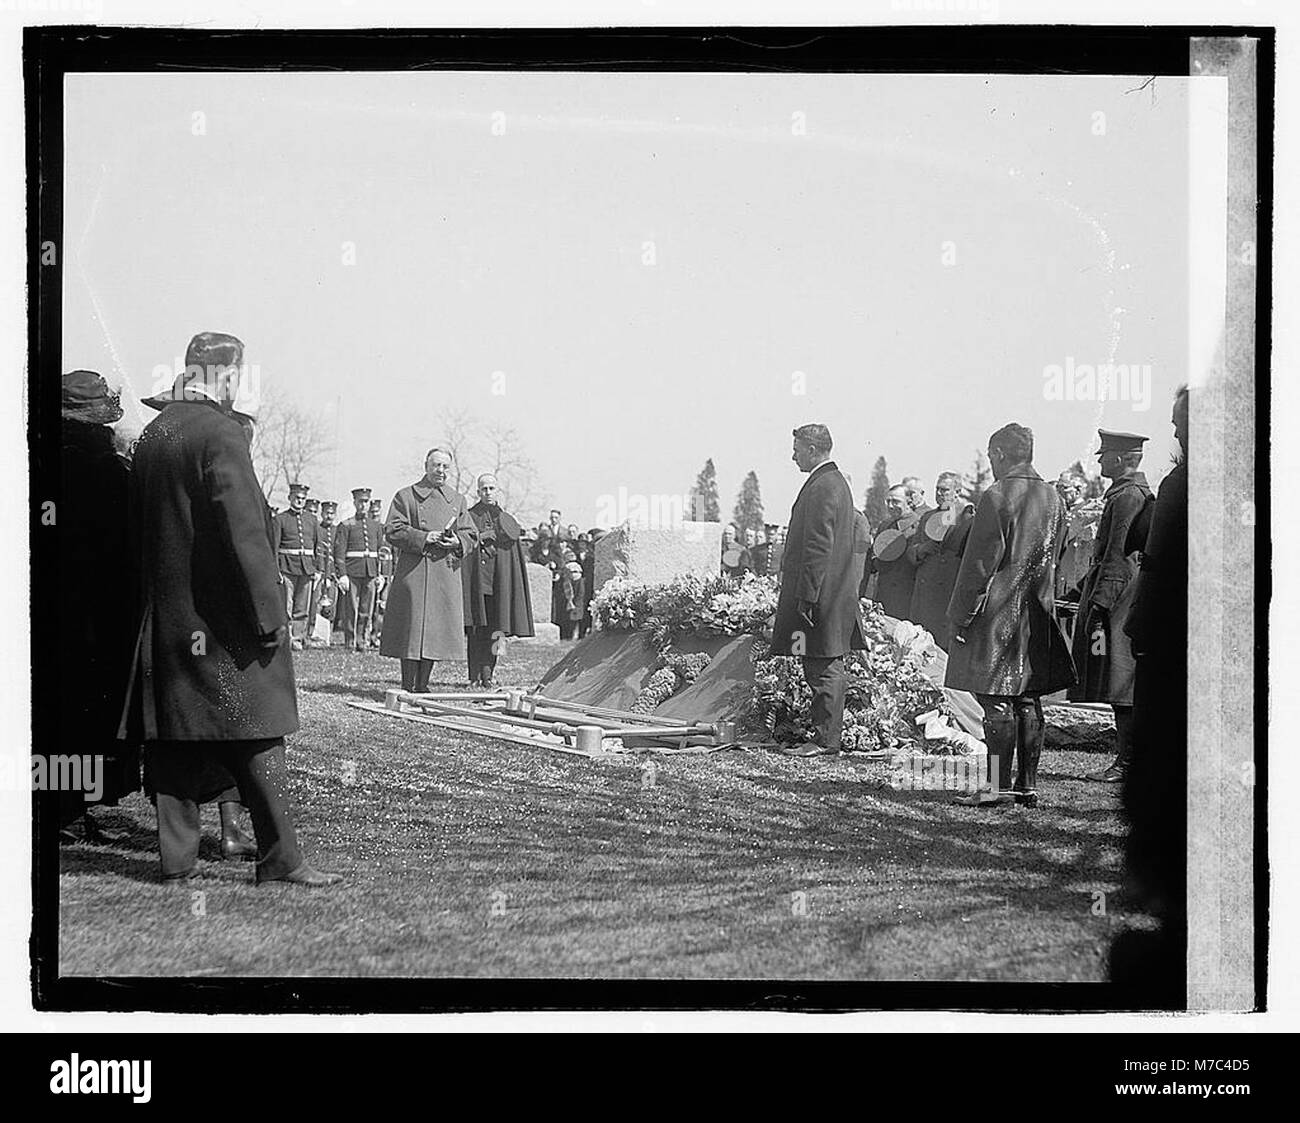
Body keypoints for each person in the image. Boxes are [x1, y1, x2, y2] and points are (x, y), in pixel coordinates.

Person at [120, 331, 340, 886]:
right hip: (226, 623)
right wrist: (269, 615)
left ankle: (176, 863)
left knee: (174, 736)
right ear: (227, 374)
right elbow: (245, 535)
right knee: (260, 732)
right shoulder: (221, 433)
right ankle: (281, 859)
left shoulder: (154, 434)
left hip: (168, 622)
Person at [945, 422, 1075, 808]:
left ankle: (997, 787)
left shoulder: (998, 495)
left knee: (996, 700)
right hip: (1037, 612)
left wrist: (961, 615)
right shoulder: (1054, 497)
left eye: (991, 456)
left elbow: (979, 565)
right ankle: (1026, 786)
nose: (991, 463)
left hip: (998, 613)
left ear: (1000, 454)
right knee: (1028, 698)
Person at [1113, 387, 1188, 1004]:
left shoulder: (1176, 487)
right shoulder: (1175, 485)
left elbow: (1145, 559)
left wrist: (1126, 616)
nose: (1176, 434)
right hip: (1171, 629)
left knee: (1158, 749)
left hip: (1169, 632)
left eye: (1181, 425)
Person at [58, 370, 142, 839]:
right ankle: (69, 809)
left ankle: (61, 807)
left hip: (50, 613)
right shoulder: (110, 472)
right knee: (90, 710)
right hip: (100, 616)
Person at [769, 424, 865, 756]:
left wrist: (807, 596)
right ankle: (824, 736)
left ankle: (825, 740)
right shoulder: (832, 482)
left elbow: (818, 546)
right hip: (829, 593)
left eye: (796, 449)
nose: (792, 456)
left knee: (823, 666)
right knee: (819, 661)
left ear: (812, 449)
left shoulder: (824, 485)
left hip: (822, 596)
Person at [1070, 431, 1154, 783]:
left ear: (1120, 460)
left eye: (1104, 455)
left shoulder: (1128, 497)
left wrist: (1100, 603)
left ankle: (1128, 763)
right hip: (1119, 595)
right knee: (1115, 680)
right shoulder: (1125, 494)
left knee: (1121, 684)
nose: (1100, 460)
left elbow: (1118, 556)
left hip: (1119, 600)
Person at [382, 448, 478, 693]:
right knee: (412, 628)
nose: (441, 471)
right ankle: (407, 684)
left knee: (435, 630)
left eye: (445, 467)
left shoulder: (457, 500)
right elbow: (393, 529)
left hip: (444, 572)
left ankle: (423, 684)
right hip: (414, 571)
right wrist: (424, 537)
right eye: (436, 465)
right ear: (426, 466)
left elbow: (471, 534)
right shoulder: (406, 496)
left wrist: (457, 541)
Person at [462, 473, 535, 685]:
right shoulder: (469, 516)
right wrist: (482, 537)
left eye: (492, 488)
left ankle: (489, 673)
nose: (488, 492)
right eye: (484, 489)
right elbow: (464, 541)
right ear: (478, 491)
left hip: (499, 583)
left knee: (497, 631)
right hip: (478, 582)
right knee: (477, 630)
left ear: (497, 490)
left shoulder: (506, 520)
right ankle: (474, 675)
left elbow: (512, 554)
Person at [907, 471, 975, 651]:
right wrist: (922, 549)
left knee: (943, 648)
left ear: (957, 492)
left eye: (944, 490)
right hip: (925, 592)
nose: (939, 493)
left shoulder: (967, 518)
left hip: (948, 592)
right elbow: (911, 551)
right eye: (937, 489)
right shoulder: (927, 517)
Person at [271, 482, 321, 651]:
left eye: (303, 498)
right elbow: (274, 547)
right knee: (287, 605)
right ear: (289, 498)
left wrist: (317, 569)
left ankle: (298, 638)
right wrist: (276, 570)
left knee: (302, 607)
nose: (300, 501)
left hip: (306, 567)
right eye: (297, 497)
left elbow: (317, 547)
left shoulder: (312, 520)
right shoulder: (280, 519)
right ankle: (287, 638)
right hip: (287, 567)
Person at [333, 487, 382, 652]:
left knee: (366, 609)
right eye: (360, 501)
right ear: (354, 502)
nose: (363, 505)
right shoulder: (346, 525)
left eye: (366, 502)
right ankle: (351, 641)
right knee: (351, 609)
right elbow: (339, 552)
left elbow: (381, 552)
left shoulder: (376, 526)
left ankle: (363, 641)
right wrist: (342, 575)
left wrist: (380, 574)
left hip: (370, 572)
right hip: (352, 572)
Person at [866, 483, 925, 618]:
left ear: (909, 502)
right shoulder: (884, 525)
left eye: (896, 502)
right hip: (883, 594)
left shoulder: (919, 525)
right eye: (888, 501)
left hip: (906, 597)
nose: (890, 506)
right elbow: (875, 557)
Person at [308, 499, 338, 645]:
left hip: (332, 575)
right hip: (318, 572)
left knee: (330, 606)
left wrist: (334, 574)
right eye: (327, 513)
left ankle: (326, 637)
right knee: (314, 605)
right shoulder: (317, 529)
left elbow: (338, 553)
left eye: (332, 513)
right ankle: (310, 634)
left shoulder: (337, 530)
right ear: (322, 513)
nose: (329, 516)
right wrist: (317, 571)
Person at [556, 560, 586, 640]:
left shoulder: (580, 581)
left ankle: (576, 635)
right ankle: (568, 635)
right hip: (567, 604)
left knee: (575, 618)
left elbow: (580, 594)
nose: (573, 574)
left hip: (577, 604)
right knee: (568, 619)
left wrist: (575, 604)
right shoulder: (566, 581)